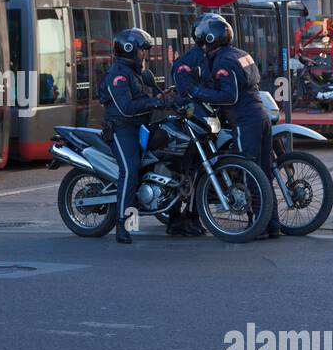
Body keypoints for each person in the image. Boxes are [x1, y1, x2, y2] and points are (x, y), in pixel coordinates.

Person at [175, 13, 281, 240]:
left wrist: (198, 92)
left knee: (248, 171)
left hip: (244, 118)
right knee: (263, 172)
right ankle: (273, 224)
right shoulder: (241, 54)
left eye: (203, 40)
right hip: (259, 114)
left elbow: (229, 95)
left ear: (211, 39)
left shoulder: (222, 61)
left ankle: (258, 226)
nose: (201, 45)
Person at [100, 27, 167, 245]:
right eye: (142, 50)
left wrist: (169, 98)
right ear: (129, 50)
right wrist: (156, 102)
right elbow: (127, 108)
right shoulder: (117, 75)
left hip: (140, 126)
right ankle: (123, 224)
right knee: (130, 169)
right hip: (122, 128)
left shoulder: (137, 73)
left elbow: (147, 98)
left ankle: (176, 217)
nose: (145, 55)